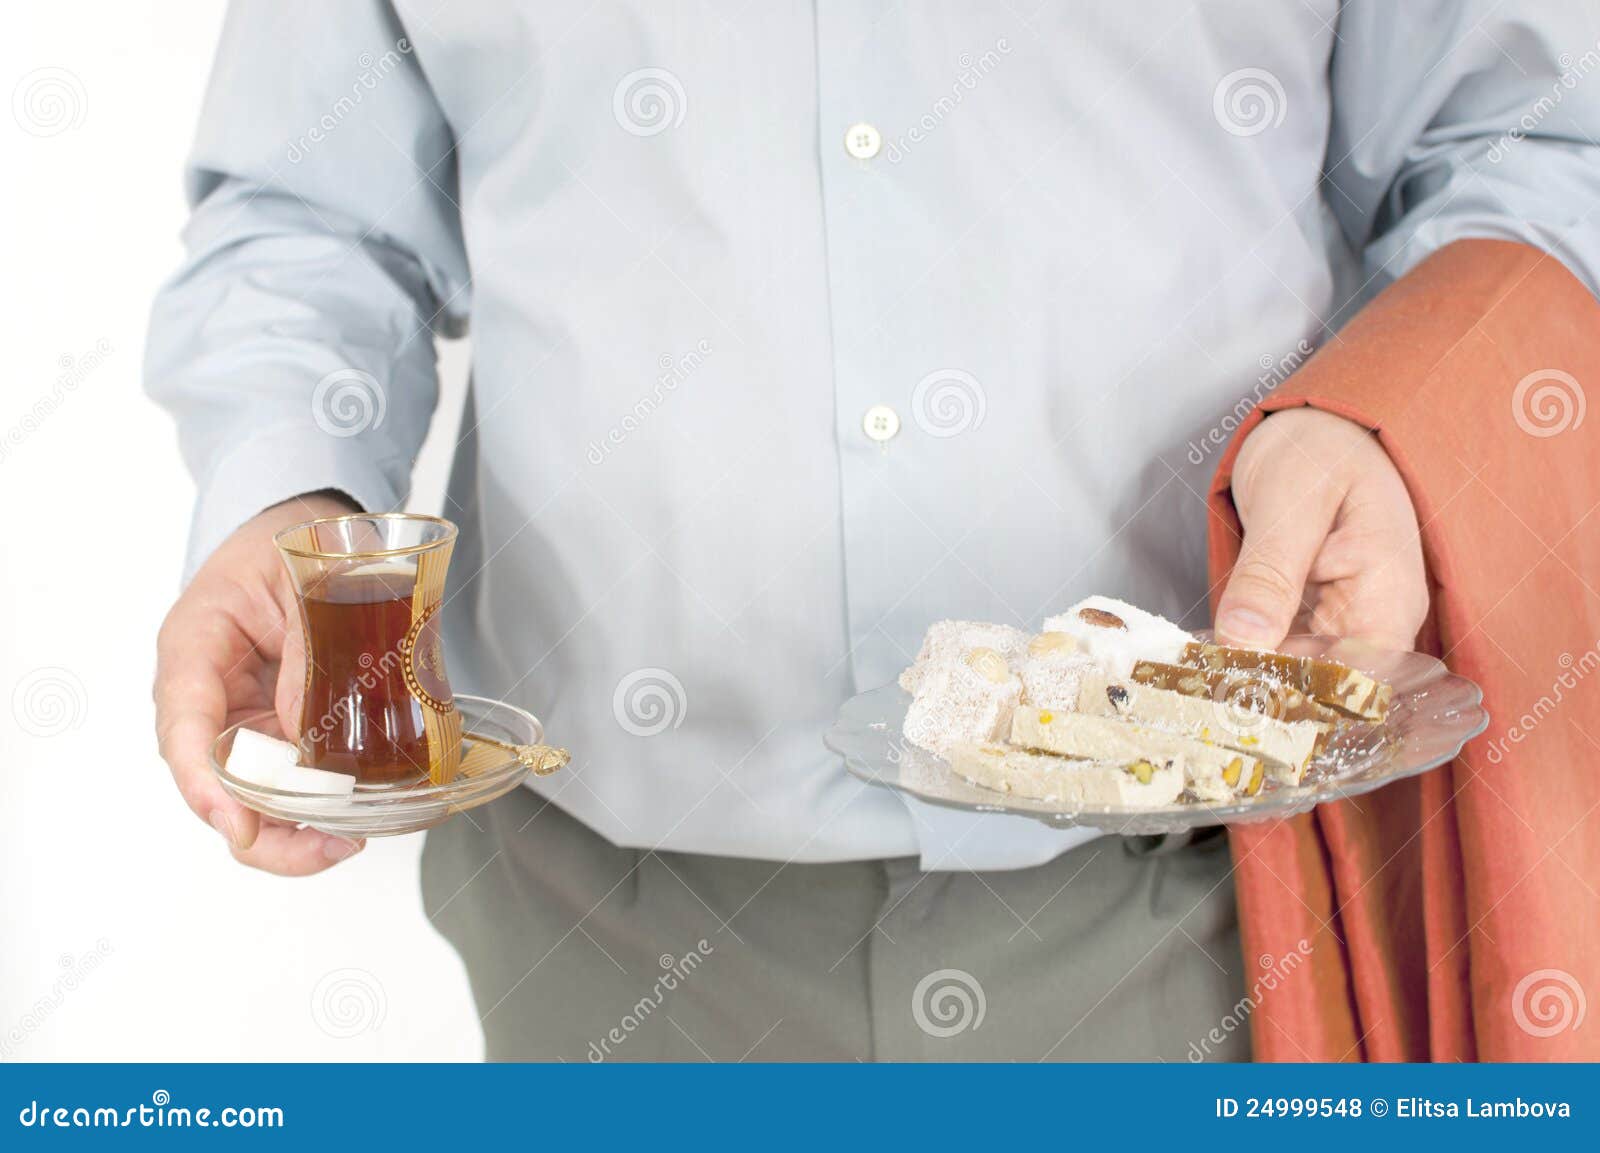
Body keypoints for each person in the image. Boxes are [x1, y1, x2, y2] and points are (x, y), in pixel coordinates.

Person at [148, 1, 1600, 1060]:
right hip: (603, 934)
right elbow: (310, 216)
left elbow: (1533, 145)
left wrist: (1381, 425)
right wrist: (293, 486)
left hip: (1214, 914)